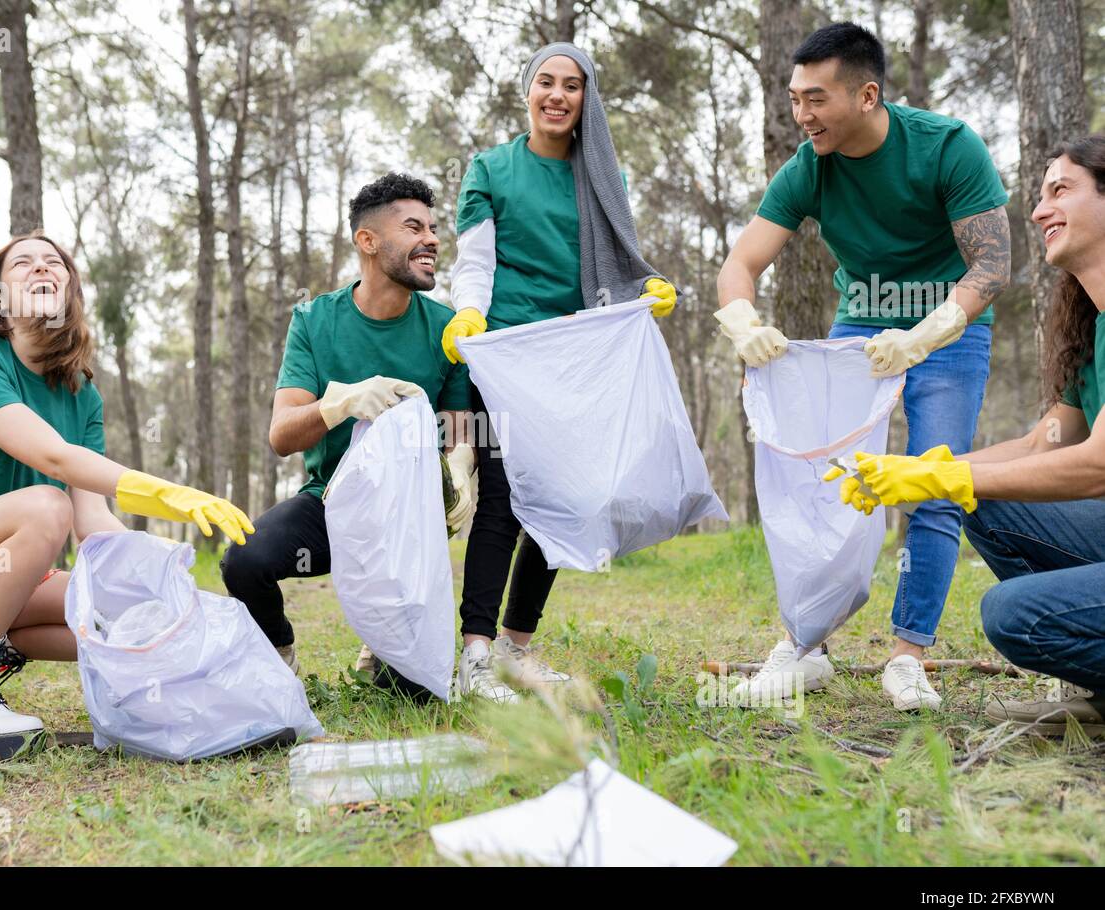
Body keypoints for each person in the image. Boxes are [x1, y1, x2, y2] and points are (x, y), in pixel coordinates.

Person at [0, 232, 254, 758]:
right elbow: (53, 459)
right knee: (44, 503)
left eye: (53, 263)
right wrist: (166, 494)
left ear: (70, 292)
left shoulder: (81, 393)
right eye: (23, 264)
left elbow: (92, 519)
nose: (41, 269)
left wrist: (156, 579)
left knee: (121, 608)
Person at [715, 22, 1010, 711]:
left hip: (952, 331)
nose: (801, 115)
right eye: (794, 98)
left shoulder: (947, 147)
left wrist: (930, 330)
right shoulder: (809, 168)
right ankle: (806, 645)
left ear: (867, 95)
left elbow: (993, 263)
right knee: (830, 488)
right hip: (860, 333)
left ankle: (908, 657)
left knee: (934, 481)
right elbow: (741, 263)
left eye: (816, 99)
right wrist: (742, 321)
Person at [829, 135, 1105, 735]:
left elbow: (1097, 466)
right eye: (1038, 195)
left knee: (1014, 615)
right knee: (979, 494)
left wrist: (941, 473)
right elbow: (1044, 446)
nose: (1037, 210)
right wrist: (926, 470)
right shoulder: (1092, 323)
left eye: (1061, 190)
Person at [442, 41, 678, 703]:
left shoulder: (599, 174)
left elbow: (619, 260)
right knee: (502, 502)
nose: (557, 95)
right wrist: (467, 314)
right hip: (509, 355)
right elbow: (477, 262)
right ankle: (477, 655)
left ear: (586, 99)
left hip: (576, 356)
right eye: (545, 82)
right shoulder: (491, 168)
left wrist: (646, 288)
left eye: (572, 85)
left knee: (568, 501)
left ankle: (518, 646)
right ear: (527, 91)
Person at [219, 173, 474, 693]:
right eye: (413, 227)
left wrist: (463, 467)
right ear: (368, 241)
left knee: (410, 693)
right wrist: (340, 403)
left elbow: (459, 429)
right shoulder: (315, 320)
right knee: (245, 558)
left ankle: (382, 642)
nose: (431, 239)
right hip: (331, 504)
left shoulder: (447, 327)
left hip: (407, 523)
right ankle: (277, 657)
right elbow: (282, 435)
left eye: (432, 227)